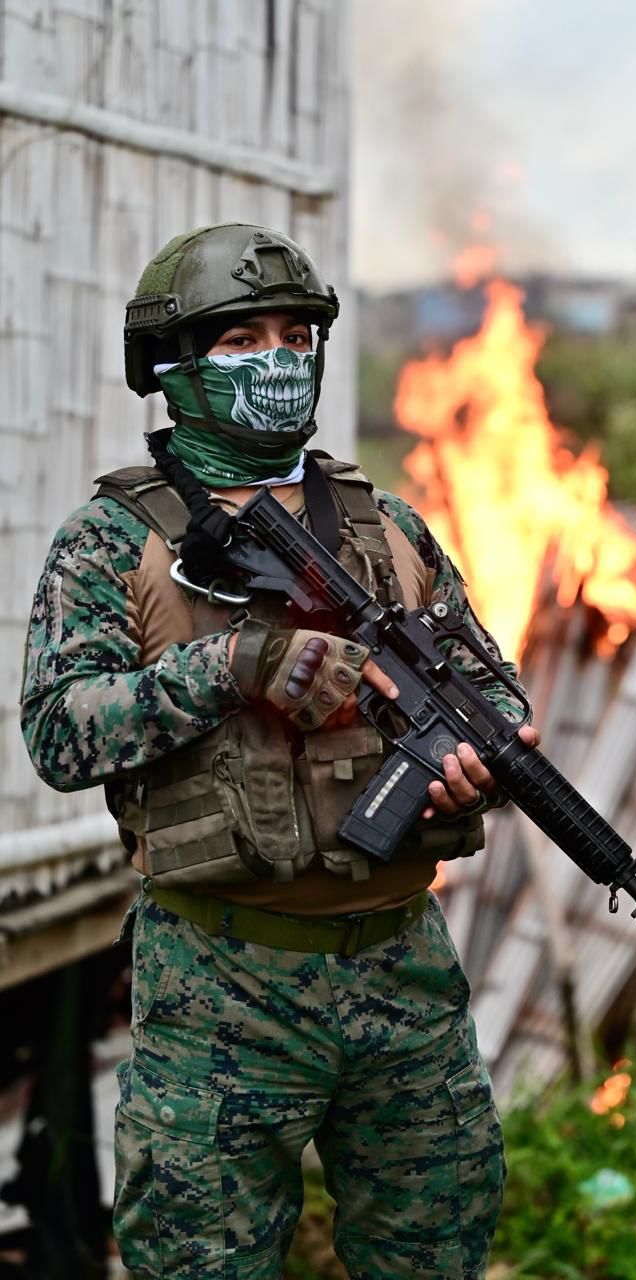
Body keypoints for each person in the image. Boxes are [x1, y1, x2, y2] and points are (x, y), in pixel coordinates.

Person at [20, 222, 539, 1279]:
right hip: (220, 980)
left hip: (403, 970)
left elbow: (491, 684)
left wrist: (480, 753)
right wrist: (231, 668)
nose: (276, 358)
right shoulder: (117, 540)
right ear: (170, 367)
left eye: (295, 335)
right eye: (240, 338)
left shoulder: (387, 523)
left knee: (435, 1248)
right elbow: (60, 732)